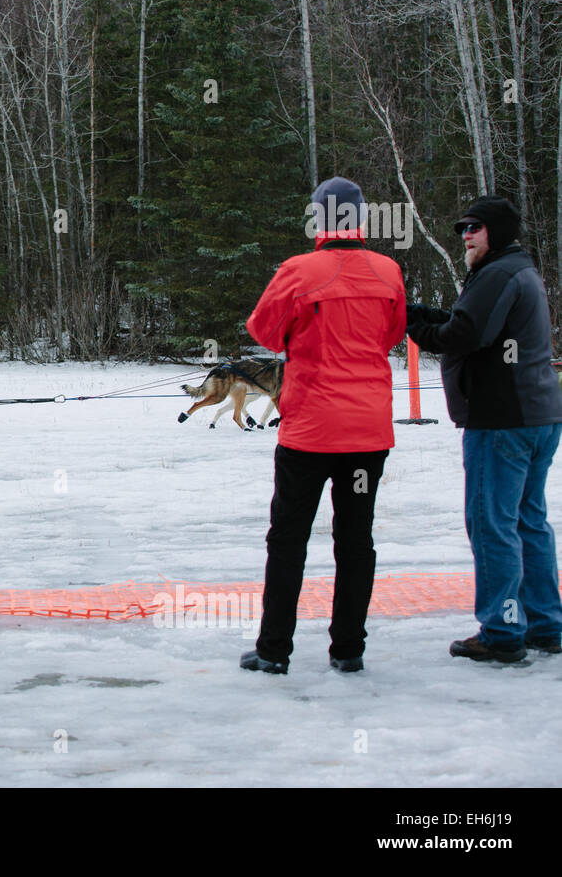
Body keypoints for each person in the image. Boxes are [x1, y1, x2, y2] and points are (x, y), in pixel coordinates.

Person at [241, 177, 407, 675]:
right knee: (356, 539)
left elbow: (263, 331)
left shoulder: (298, 271)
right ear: (359, 218)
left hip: (311, 431)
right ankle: (348, 649)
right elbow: (392, 334)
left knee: (288, 539)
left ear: (318, 218)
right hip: (367, 431)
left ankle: (274, 650)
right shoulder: (388, 271)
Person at [406, 196, 562, 663]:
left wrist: (412, 324)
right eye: (461, 228)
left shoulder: (497, 273)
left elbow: (464, 336)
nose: (465, 236)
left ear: (495, 231)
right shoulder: (515, 270)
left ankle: (501, 629)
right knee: (525, 519)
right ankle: (545, 622)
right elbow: (471, 323)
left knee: (493, 523)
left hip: (502, 421)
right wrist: (428, 315)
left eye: (473, 228)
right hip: (535, 416)